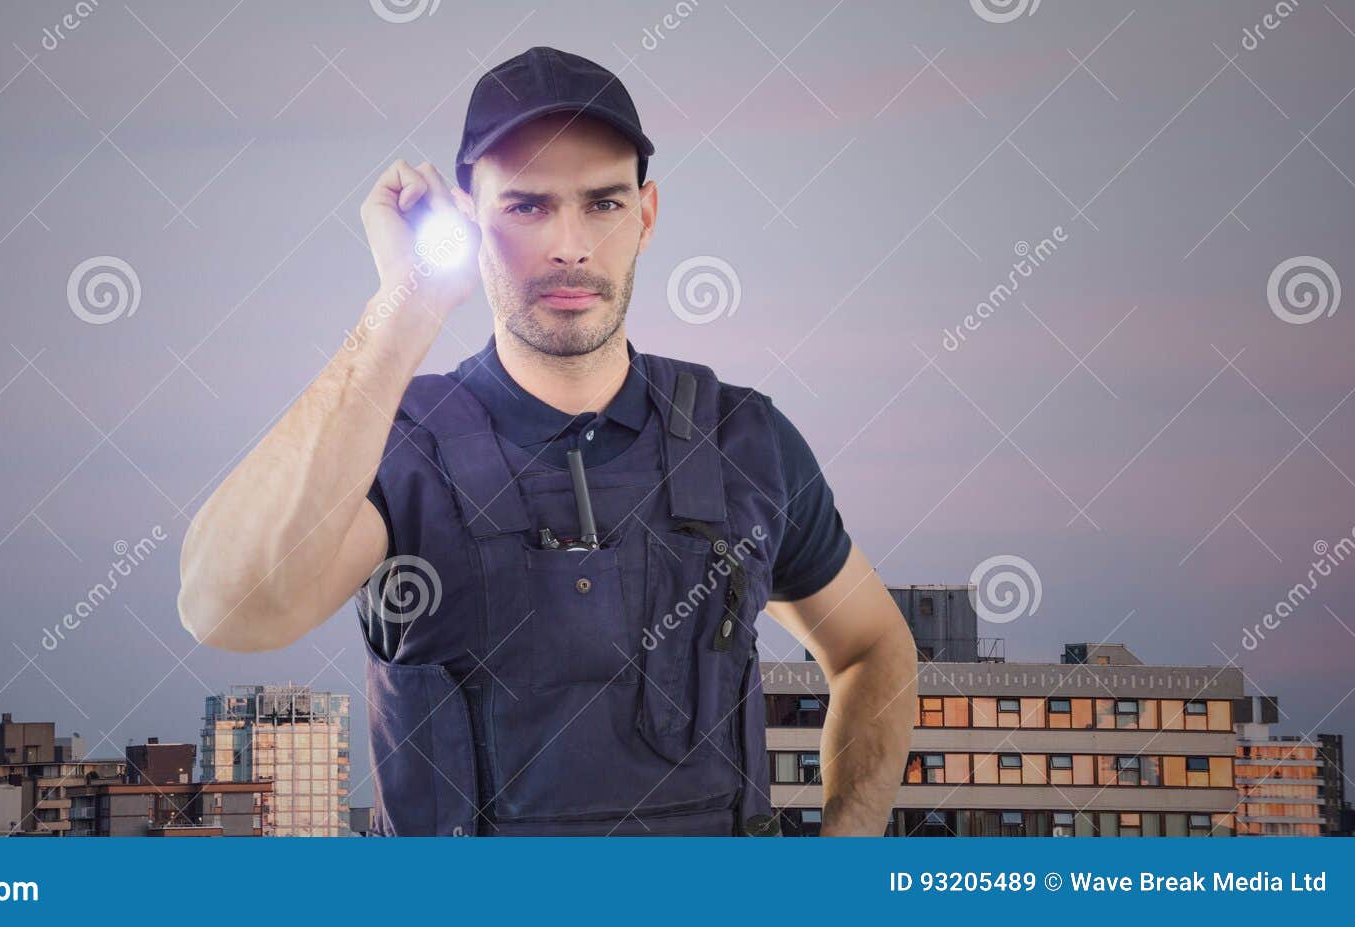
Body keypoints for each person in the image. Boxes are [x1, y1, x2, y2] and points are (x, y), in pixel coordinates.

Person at [179, 46, 915, 836]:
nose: (570, 245)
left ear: (647, 214)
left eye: (602, 203)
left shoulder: (744, 440)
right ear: (468, 217)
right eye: (528, 207)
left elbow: (876, 649)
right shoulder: (397, 447)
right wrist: (402, 310)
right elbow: (225, 609)